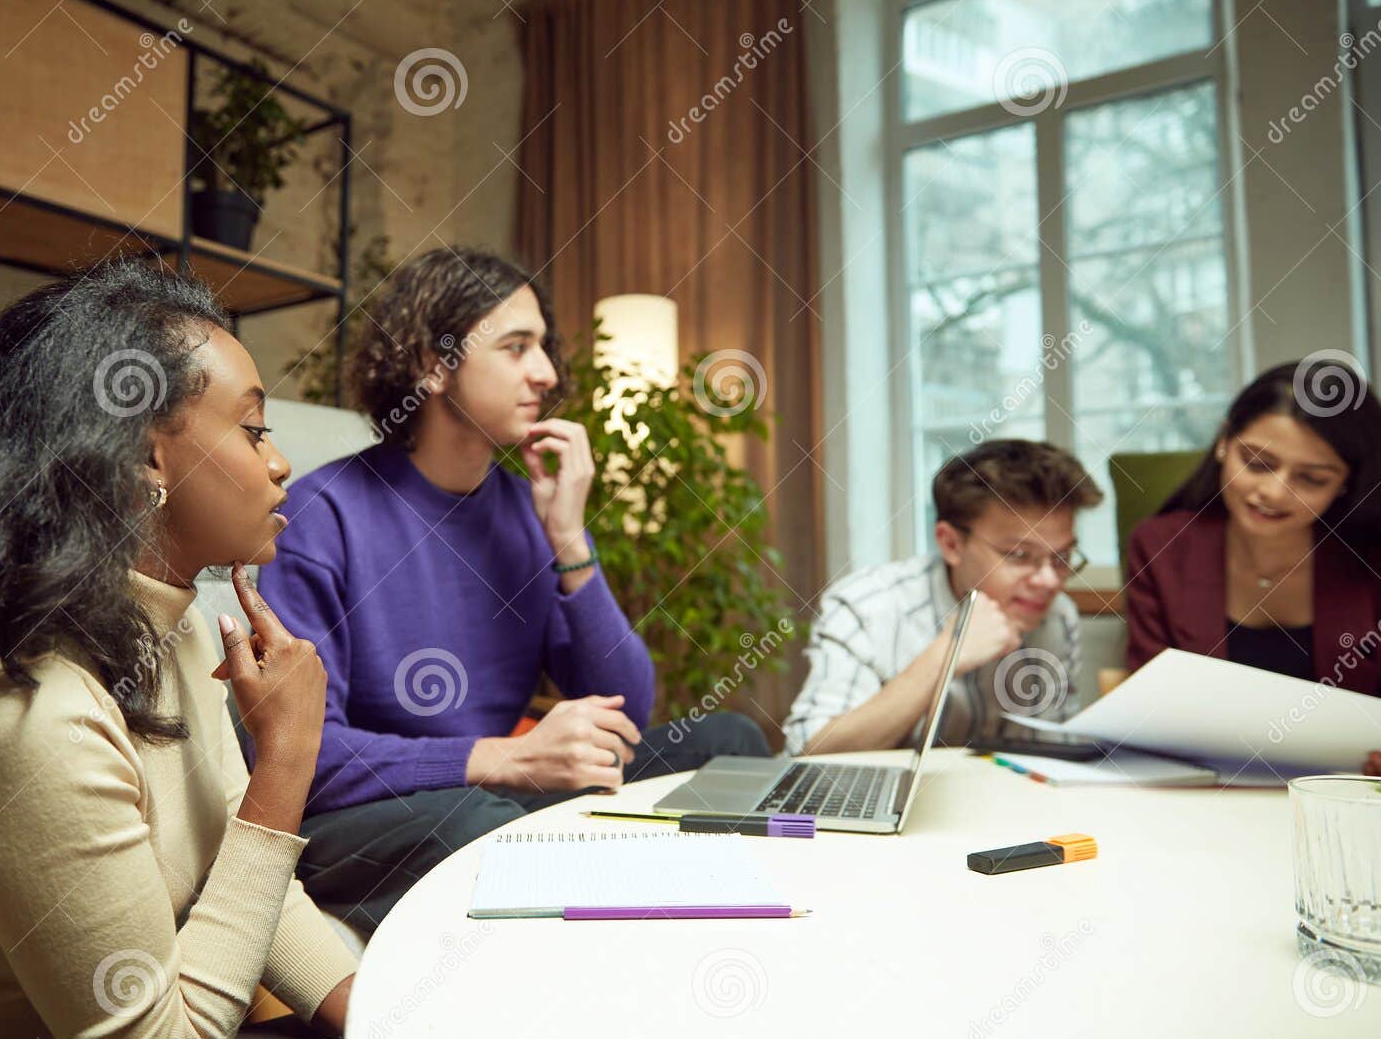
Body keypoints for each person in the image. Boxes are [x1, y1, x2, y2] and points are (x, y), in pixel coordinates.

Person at [0, 262, 356, 1039]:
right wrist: (287, 762)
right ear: (146, 460)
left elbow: (245, 871)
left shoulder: (171, 631)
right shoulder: (28, 714)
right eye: (254, 430)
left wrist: (388, 1016)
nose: (279, 463)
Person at [256, 246, 771, 932]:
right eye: (517, 348)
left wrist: (569, 540)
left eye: (543, 347)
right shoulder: (324, 515)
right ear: (431, 366)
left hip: (494, 795)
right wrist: (502, 757)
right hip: (365, 824)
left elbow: (628, 709)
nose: (547, 373)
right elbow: (305, 756)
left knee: (729, 740)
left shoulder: (527, 512)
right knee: (483, 821)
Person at [1124, 357, 1381, 776]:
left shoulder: (1370, 559)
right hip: (1203, 791)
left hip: (1349, 795)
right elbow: (1150, 704)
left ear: (1346, 483)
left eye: (1312, 479)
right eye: (1258, 463)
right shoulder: (1162, 546)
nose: (1275, 493)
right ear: (1225, 441)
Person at [784, 439, 1104, 755]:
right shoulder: (866, 605)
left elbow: (1052, 752)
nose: (1049, 581)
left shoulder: (1057, 616)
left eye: (1062, 558)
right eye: (1020, 555)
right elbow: (812, 750)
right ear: (951, 544)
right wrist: (946, 655)